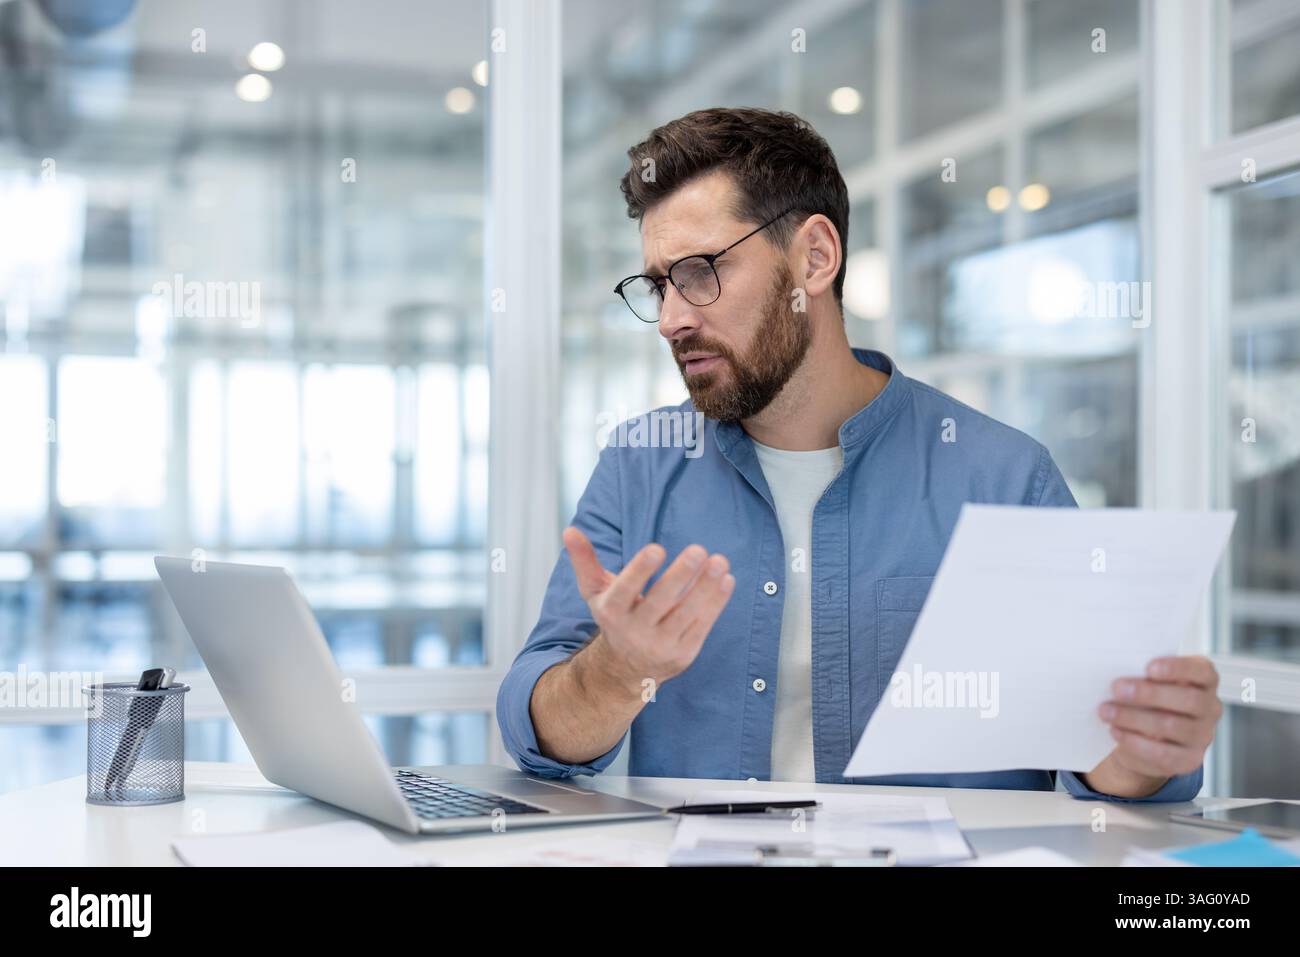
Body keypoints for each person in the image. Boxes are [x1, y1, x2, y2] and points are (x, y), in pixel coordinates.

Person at [497, 107, 1220, 800]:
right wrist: (616, 673)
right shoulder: (639, 466)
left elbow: (1097, 753)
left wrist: (1144, 753)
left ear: (815, 256)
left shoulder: (1004, 476)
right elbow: (538, 733)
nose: (672, 319)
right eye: (658, 286)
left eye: (697, 272)